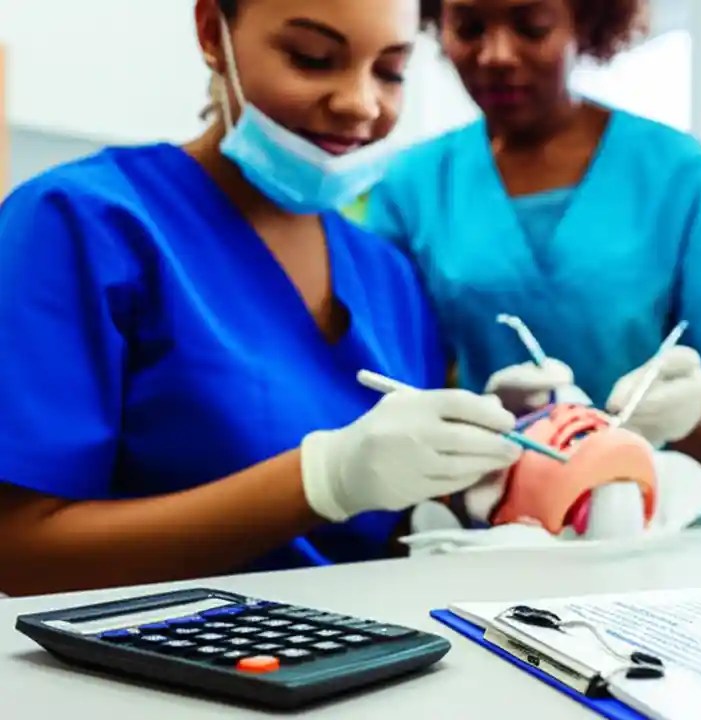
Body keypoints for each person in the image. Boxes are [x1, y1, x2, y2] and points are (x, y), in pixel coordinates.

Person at [0, 0, 523, 597]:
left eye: (389, 71)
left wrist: (493, 463)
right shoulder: (79, 225)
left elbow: (398, 531)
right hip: (148, 675)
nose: (360, 102)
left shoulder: (387, 276)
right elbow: (19, 552)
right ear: (211, 33)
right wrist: (319, 482)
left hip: (366, 665)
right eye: (313, 59)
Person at [362, 0, 701, 505]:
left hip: (668, 523)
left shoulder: (674, 171)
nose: (496, 54)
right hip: (502, 525)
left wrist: (680, 421)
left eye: (532, 27)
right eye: (470, 28)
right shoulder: (411, 186)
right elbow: (384, 404)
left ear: (586, 23)